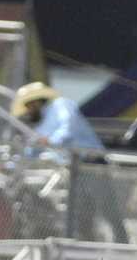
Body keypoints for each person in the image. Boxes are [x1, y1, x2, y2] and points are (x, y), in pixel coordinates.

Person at [11, 81, 128, 243]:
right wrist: (18, 156)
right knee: (81, 214)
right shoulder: (42, 126)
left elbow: (69, 127)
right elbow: (32, 151)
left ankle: (122, 245)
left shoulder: (61, 105)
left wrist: (50, 141)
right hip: (73, 170)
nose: (28, 111)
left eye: (29, 106)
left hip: (92, 163)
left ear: (36, 102)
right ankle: (87, 253)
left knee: (107, 208)